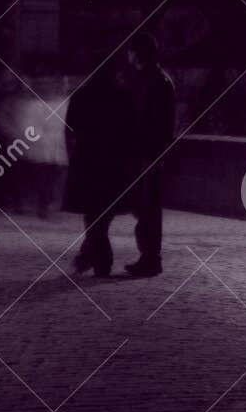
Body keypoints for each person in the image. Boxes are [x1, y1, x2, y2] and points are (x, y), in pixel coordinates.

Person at [63, 62, 135, 276]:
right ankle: (93, 257)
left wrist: (71, 156)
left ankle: (96, 258)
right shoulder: (124, 96)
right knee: (104, 212)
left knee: (93, 212)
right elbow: (132, 130)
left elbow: (70, 130)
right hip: (115, 160)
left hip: (88, 158)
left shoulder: (81, 95)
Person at [121, 33, 176, 276]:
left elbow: (150, 121)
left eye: (131, 51)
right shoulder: (156, 80)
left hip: (148, 152)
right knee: (146, 207)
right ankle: (149, 256)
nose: (128, 55)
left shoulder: (153, 81)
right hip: (149, 151)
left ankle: (151, 258)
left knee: (148, 207)